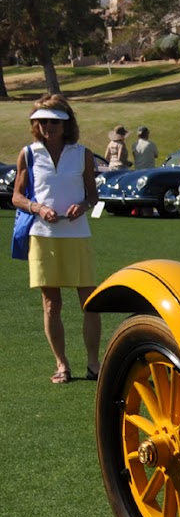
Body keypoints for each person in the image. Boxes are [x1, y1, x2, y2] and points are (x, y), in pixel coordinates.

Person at [13, 95, 101, 385]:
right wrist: (38, 208)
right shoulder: (28, 153)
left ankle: (93, 363)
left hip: (77, 234)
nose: (47, 126)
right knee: (51, 304)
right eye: (41, 120)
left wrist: (83, 206)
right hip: (43, 236)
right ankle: (62, 364)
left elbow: (92, 195)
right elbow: (17, 196)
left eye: (54, 120)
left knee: (90, 302)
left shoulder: (82, 153)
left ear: (66, 123)